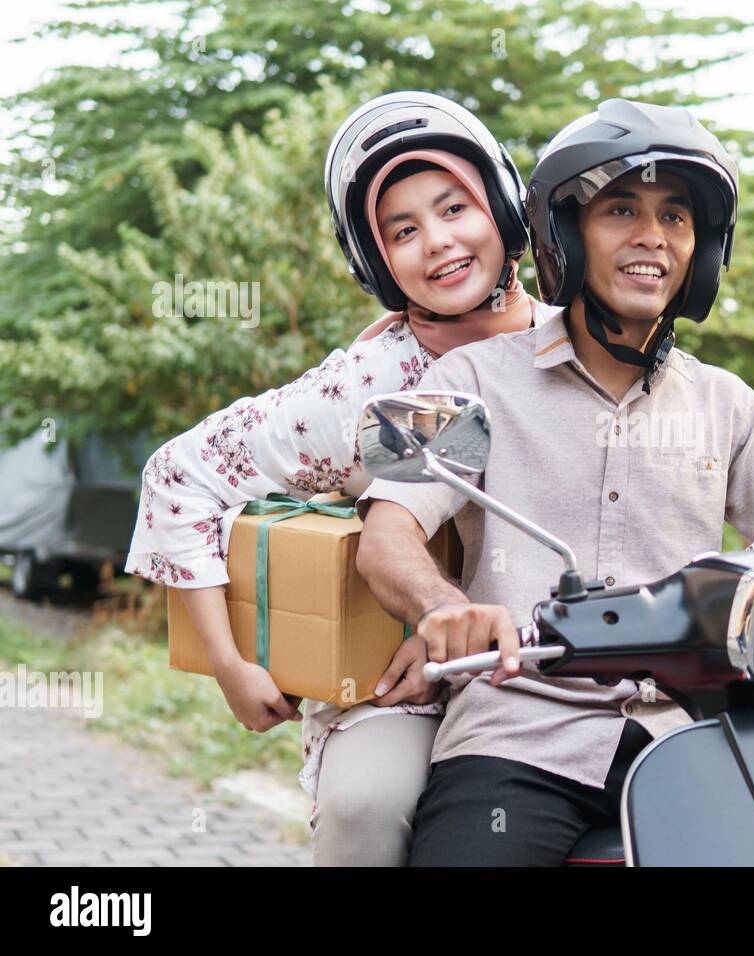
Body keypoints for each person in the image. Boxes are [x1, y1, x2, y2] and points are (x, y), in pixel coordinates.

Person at [355, 99, 754, 866]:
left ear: (702, 250)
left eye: (676, 217)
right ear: (565, 235)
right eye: (621, 209)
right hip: (522, 737)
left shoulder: (725, 403)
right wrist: (445, 608)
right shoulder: (473, 380)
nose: (652, 237)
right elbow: (388, 533)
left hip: (699, 739)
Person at [125, 91, 558, 866]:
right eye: (403, 230)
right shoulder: (370, 389)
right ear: (375, 259)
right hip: (398, 684)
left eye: (455, 207)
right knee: (366, 805)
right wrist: (229, 662)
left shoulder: (573, 348)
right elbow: (180, 472)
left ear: (502, 207)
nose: (439, 242)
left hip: (560, 664)